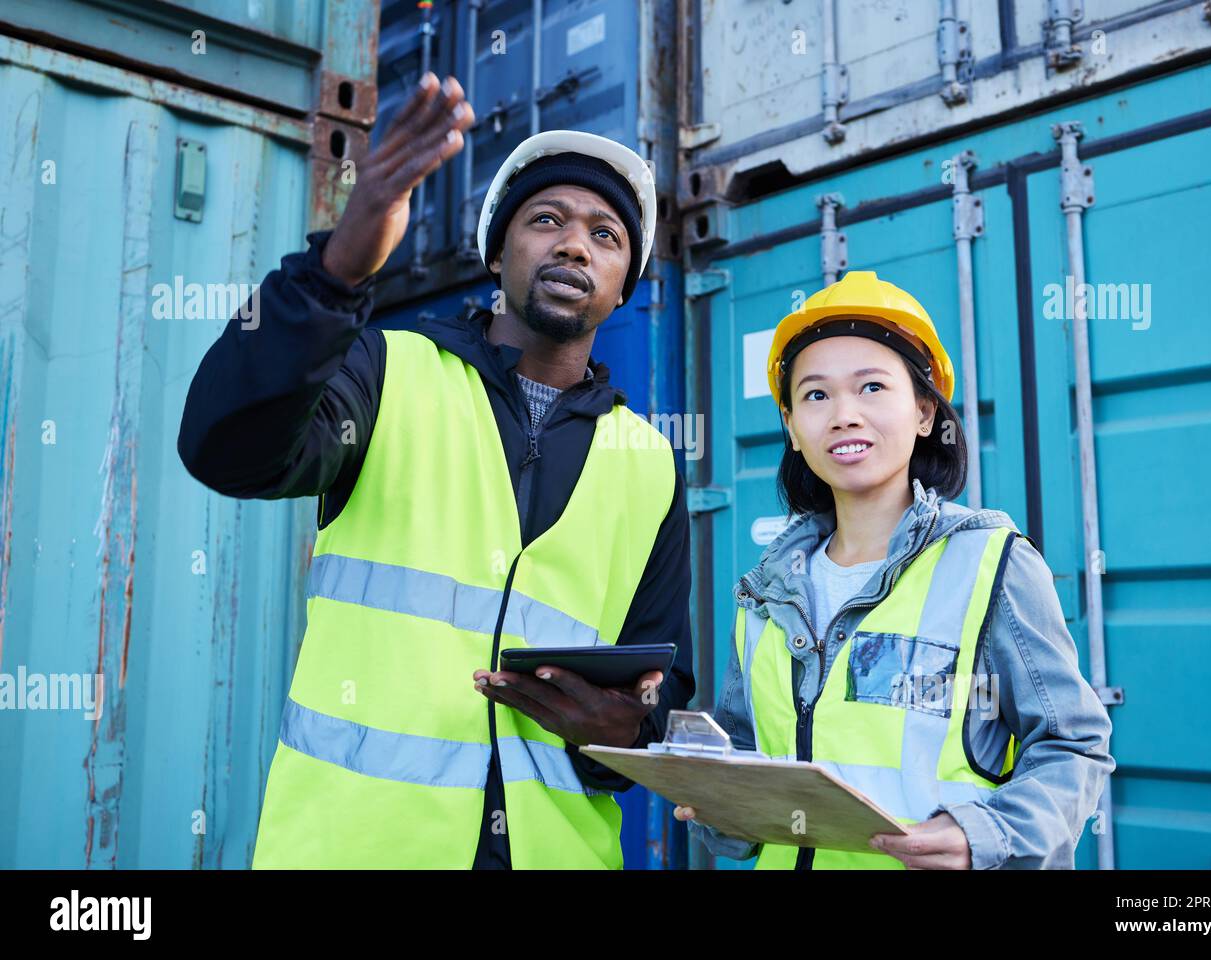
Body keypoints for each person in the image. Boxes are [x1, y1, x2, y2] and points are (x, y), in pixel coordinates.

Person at [177, 72, 695, 869]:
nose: (573, 244)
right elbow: (227, 449)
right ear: (497, 253)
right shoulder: (389, 373)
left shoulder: (649, 464)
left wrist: (622, 732)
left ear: (624, 284)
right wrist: (336, 273)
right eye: (546, 219)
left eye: (605, 236)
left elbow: (662, 698)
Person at [675, 271, 1114, 869]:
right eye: (816, 395)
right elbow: (748, 765)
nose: (844, 414)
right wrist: (717, 807)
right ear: (792, 429)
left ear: (925, 413)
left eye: (873, 387)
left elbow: (1073, 746)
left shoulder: (990, 562)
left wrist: (984, 836)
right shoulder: (765, 594)